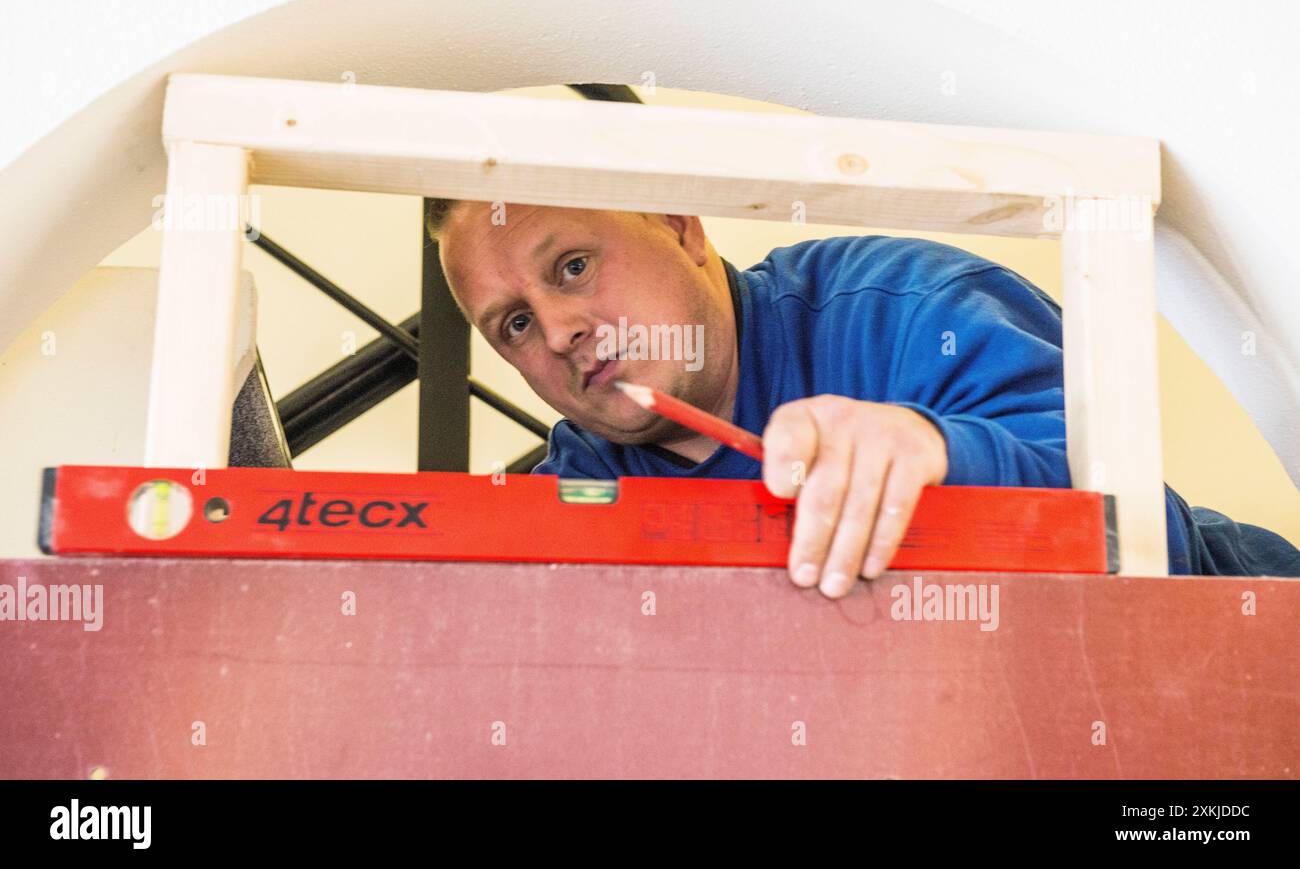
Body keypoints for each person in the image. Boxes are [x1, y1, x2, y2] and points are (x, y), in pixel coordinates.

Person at [428, 200, 1300, 597]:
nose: (558, 331)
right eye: (510, 325)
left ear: (681, 227)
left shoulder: (911, 305)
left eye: (573, 266)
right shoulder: (567, 497)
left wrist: (934, 451)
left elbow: (1147, 538)